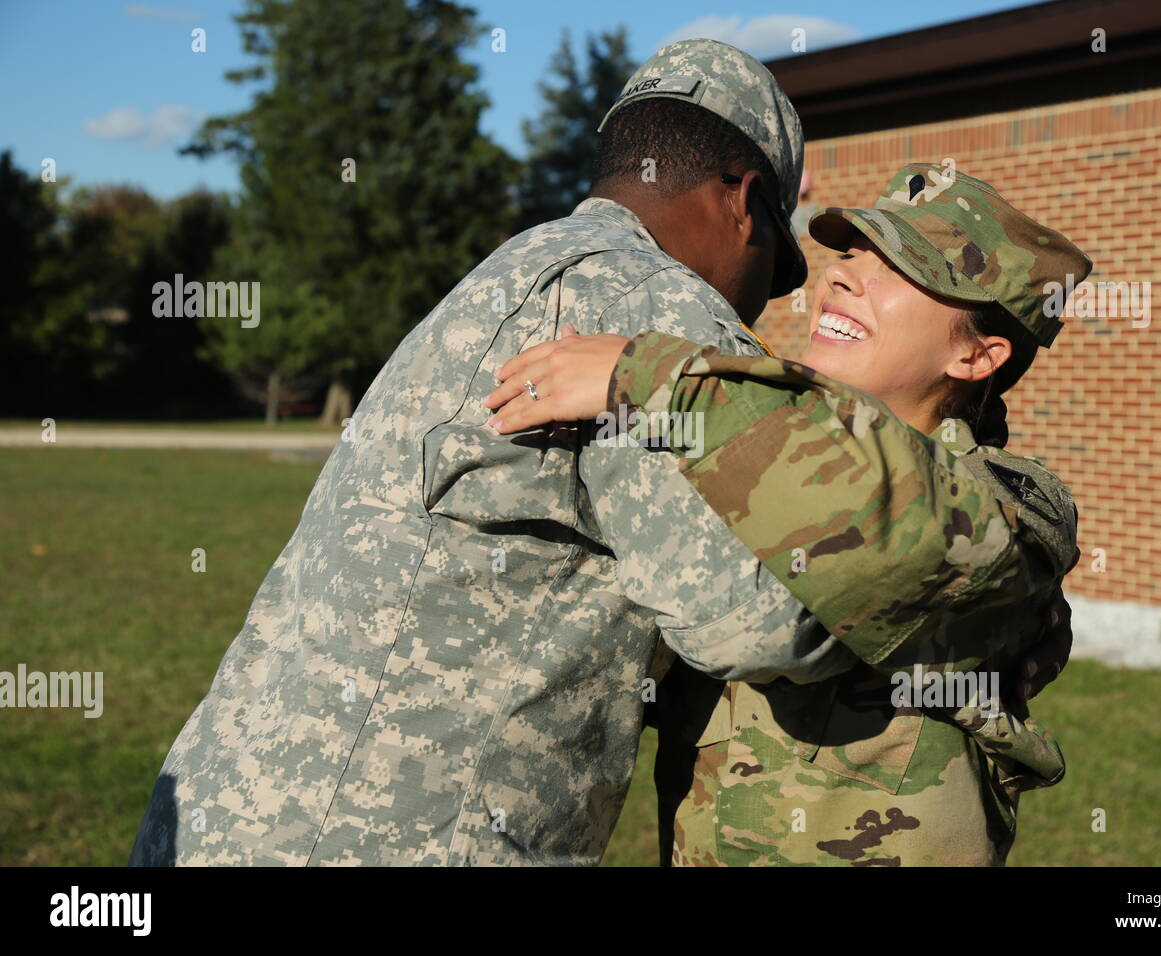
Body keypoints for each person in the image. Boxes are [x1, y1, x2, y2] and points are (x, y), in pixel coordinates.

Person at [127, 41, 1064, 867]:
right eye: (784, 260)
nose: (758, 311)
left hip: (228, 809)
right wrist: (978, 619)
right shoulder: (658, 310)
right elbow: (766, 616)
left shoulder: (518, 270)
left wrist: (1002, 605)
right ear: (743, 201)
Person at [487, 163, 1090, 865]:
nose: (838, 276)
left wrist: (653, 376)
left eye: (900, 267)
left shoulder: (1017, 502)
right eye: (851, 253)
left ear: (977, 354)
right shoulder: (743, 456)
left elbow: (900, 517)